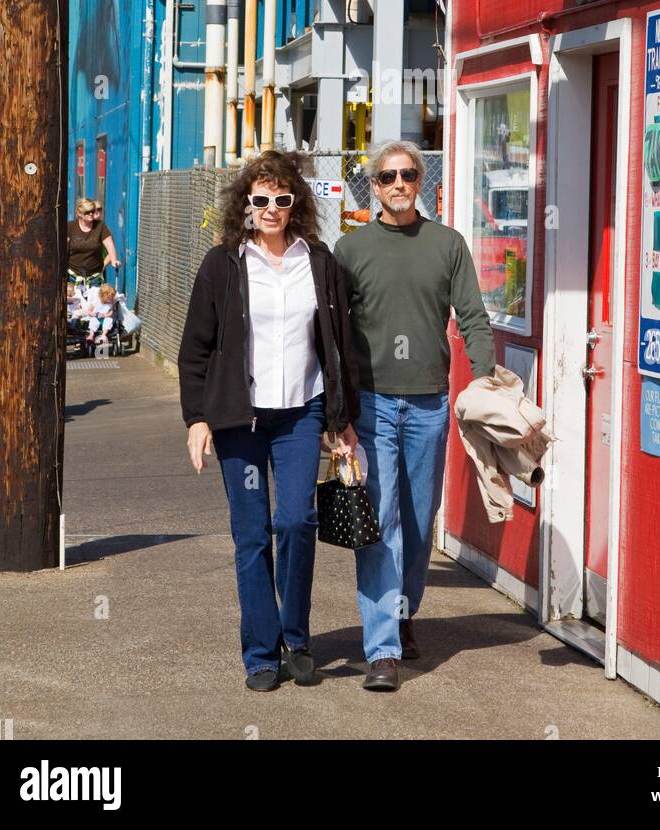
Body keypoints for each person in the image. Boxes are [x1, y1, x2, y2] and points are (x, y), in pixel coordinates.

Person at [178, 150, 359, 693]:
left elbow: (339, 345)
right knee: (253, 534)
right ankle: (261, 652)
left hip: (302, 411)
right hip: (240, 418)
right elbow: (196, 349)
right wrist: (197, 419)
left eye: (282, 198)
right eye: (261, 199)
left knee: (298, 522)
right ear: (246, 204)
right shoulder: (223, 264)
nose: (272, 208)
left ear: (295, 202)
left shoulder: (320, 261)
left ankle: (296, 638)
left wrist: (341, 420)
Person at [334, 140, 496, 692]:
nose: (397, 184)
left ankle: (402, 613)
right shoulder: (349, 251)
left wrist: (487, 379)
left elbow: (473, 316)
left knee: (419, 519)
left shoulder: (447, 245)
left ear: (420, 181)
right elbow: (331, 333)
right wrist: (336, 411)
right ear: (373, 187)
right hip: (372, 404)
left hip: (429, 403)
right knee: (380, 522)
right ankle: (381, 649)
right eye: (386, 177)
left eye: (407, 174)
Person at [67, 197, 119, 287]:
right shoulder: (70, 227)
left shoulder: (100, 226)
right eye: (87, 212)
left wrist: (114, 261)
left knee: (94, 300)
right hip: (73, 275)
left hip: (94, 276)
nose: (91, 214)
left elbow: (110, 245)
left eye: (92, 211)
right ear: (79, 213)